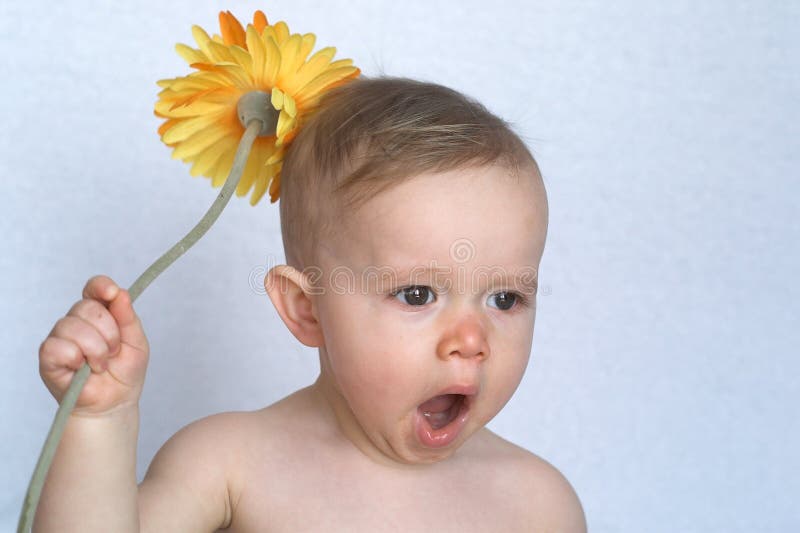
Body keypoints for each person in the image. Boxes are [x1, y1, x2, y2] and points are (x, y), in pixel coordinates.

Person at [35, 76, 587, 532]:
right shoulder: (231, 465)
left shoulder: (538, 505)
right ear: (307, 308)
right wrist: (98, 422)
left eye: (505, 298)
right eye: (417, 294)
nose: (472, 340)